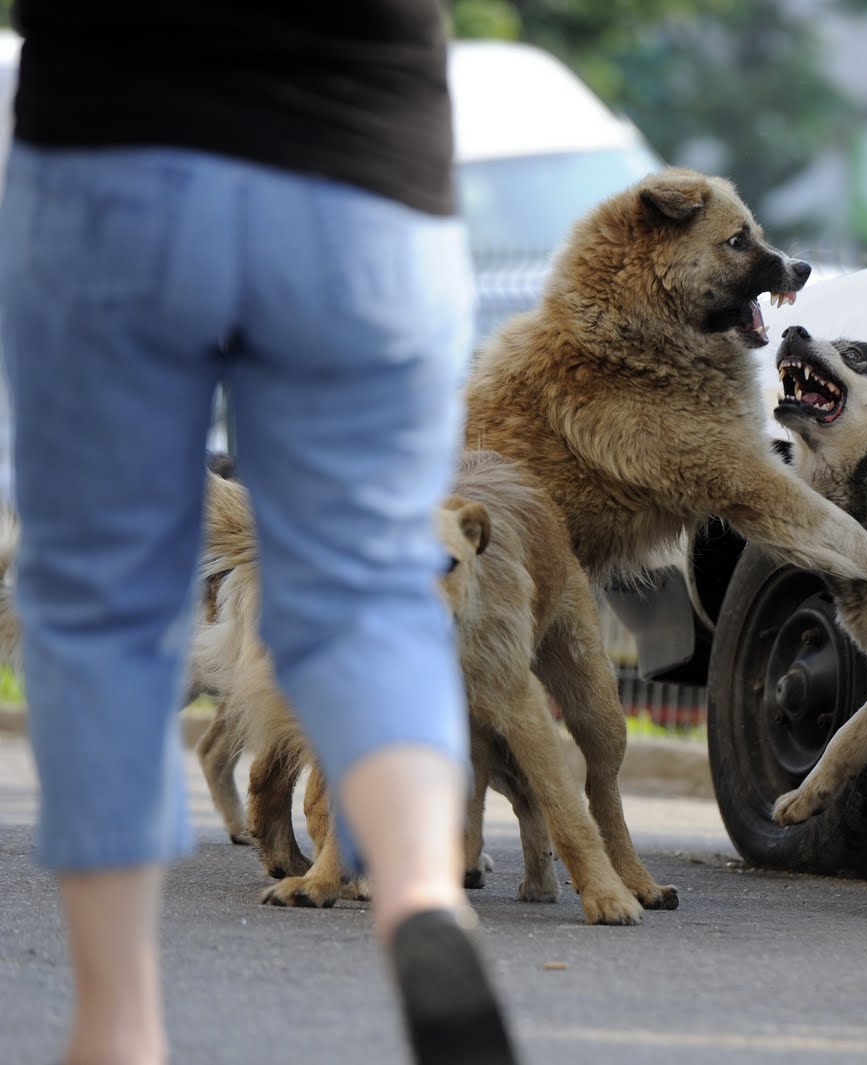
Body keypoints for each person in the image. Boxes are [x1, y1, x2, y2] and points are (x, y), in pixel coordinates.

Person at [0, 2, 520, 1063]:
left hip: (109, 143)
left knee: (102, 604)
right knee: (371, 587)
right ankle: (421, 898)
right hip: (364, 155)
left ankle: (117, 1020)